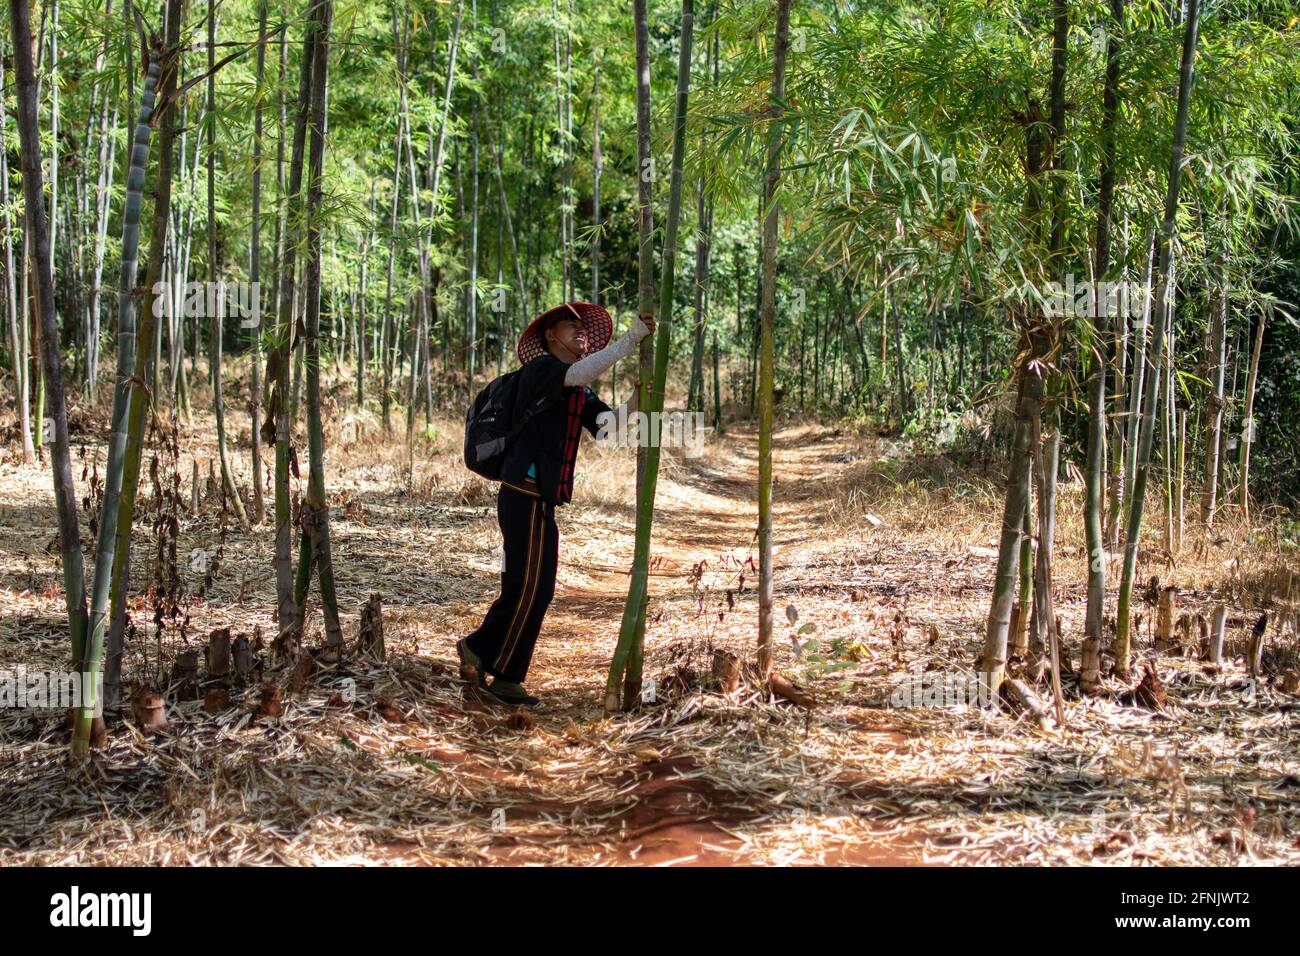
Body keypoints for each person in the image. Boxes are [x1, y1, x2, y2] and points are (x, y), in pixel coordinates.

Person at [457, 302, 654, 706]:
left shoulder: (577, 389)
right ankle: (494, 665)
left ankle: (493, 661)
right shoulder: (543, 371)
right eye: (571, 327)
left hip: (541, 499)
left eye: (583, 329)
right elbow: (581, 371)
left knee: (537, 586)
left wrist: (636, 403)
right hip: (523, 493)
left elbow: (604, 428)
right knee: (528, 584)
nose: (580, 334)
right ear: (550, 336)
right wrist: (632, 339)